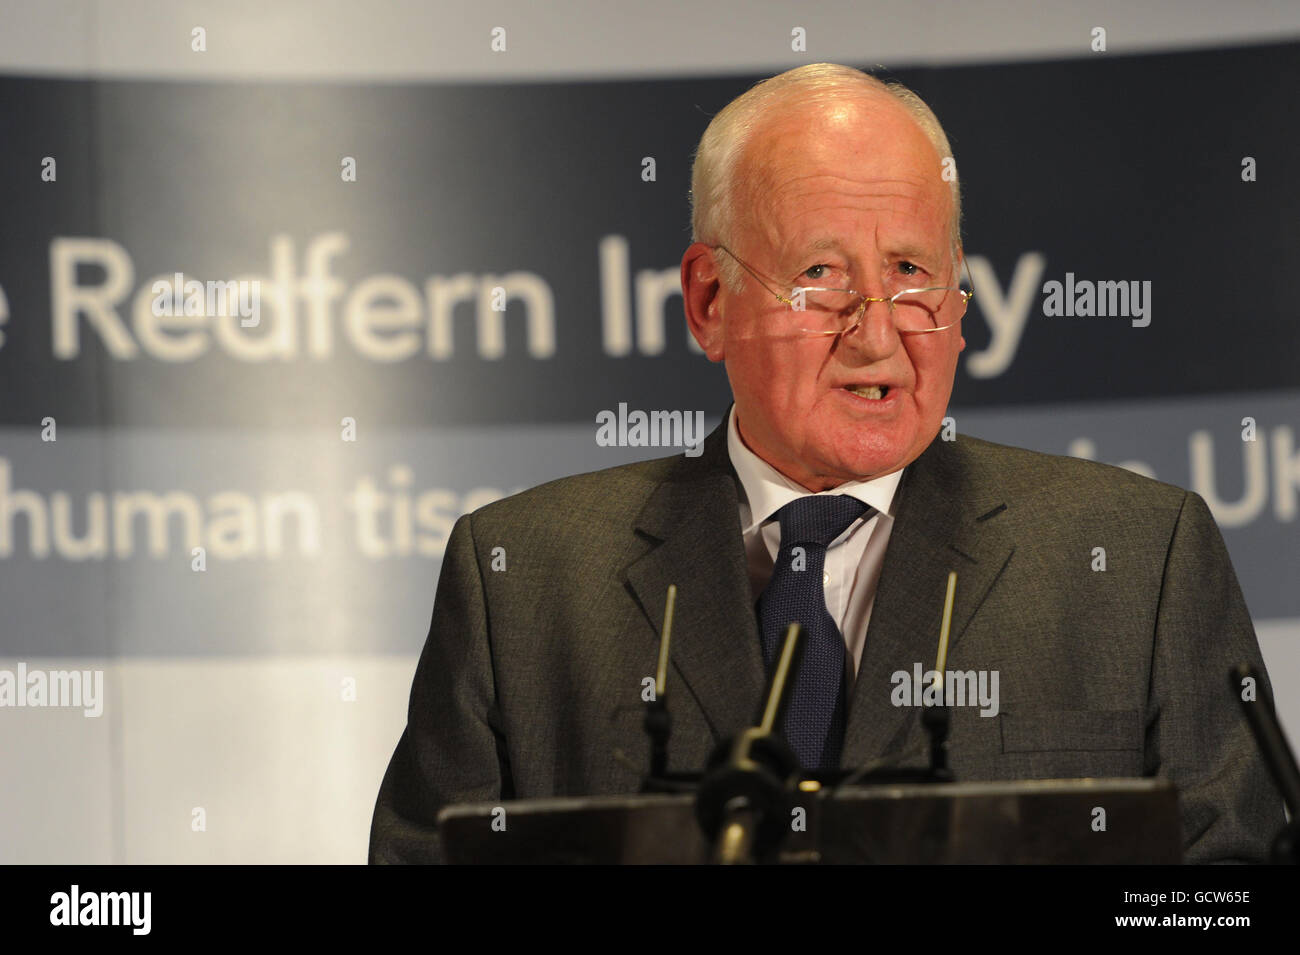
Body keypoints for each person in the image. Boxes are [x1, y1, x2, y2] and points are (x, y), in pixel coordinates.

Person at [369, 63, 1284, 863]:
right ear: (708, 300)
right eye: (822, 276)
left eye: (913, 273)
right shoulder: (521, 581)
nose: (878, 333)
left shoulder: (1138, 559)